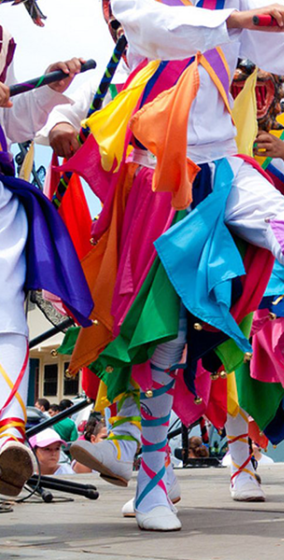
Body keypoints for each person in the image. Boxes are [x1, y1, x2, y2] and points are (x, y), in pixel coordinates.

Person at [60, 0, 284, 532]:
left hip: (224, 168)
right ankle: (151, 484)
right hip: (158, 178)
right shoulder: (167, 12)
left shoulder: (228, 7)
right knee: (163, 336)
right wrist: (236, 22)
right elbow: (150, 27)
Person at [0, 18, 90, 498]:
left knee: (7, 313)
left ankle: (9, 429)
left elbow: (10, 123)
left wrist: (47, 92)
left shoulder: (2, 36)